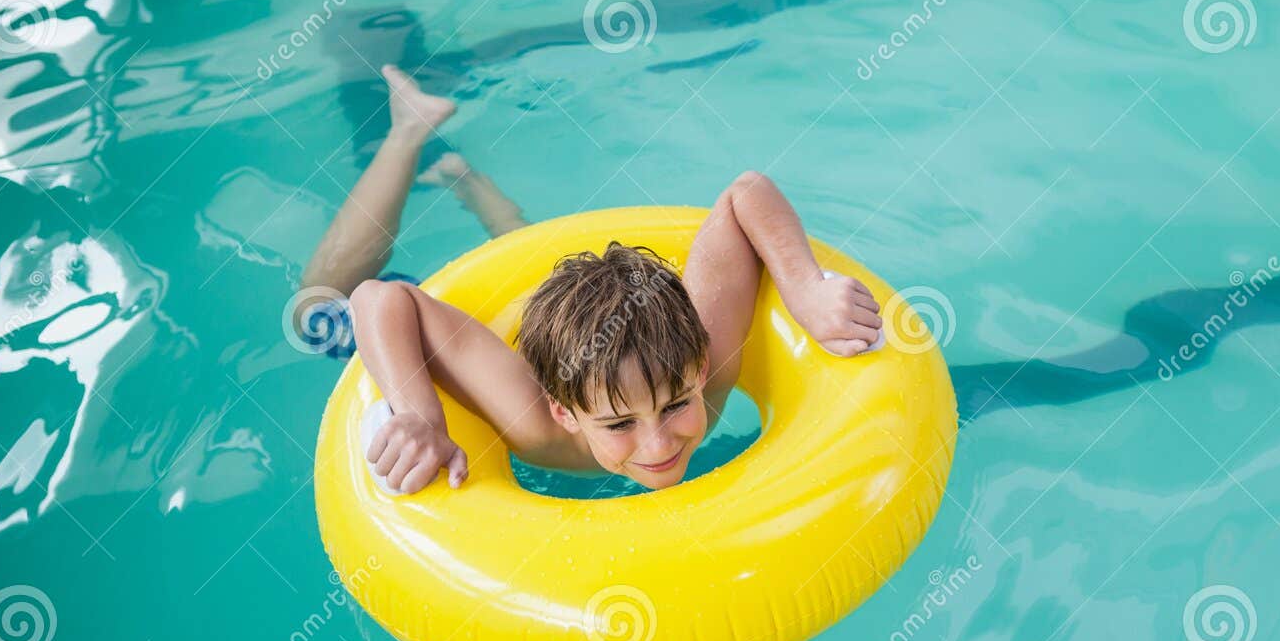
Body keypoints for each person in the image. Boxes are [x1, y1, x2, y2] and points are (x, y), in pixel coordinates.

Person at [302, 65, 882, 494]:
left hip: (571, 315)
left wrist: (805, 288)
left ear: (699, 366)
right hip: (446, 322)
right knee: (315, 306)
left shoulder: (709, 358)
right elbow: (373, 299)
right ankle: (409, 129)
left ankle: (466, 179)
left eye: (678, 403)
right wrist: (419, 417)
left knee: (520, 254)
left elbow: (745, 193)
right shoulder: (533, 425)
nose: (658, 444)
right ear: (565, 413)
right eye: (621, 422)